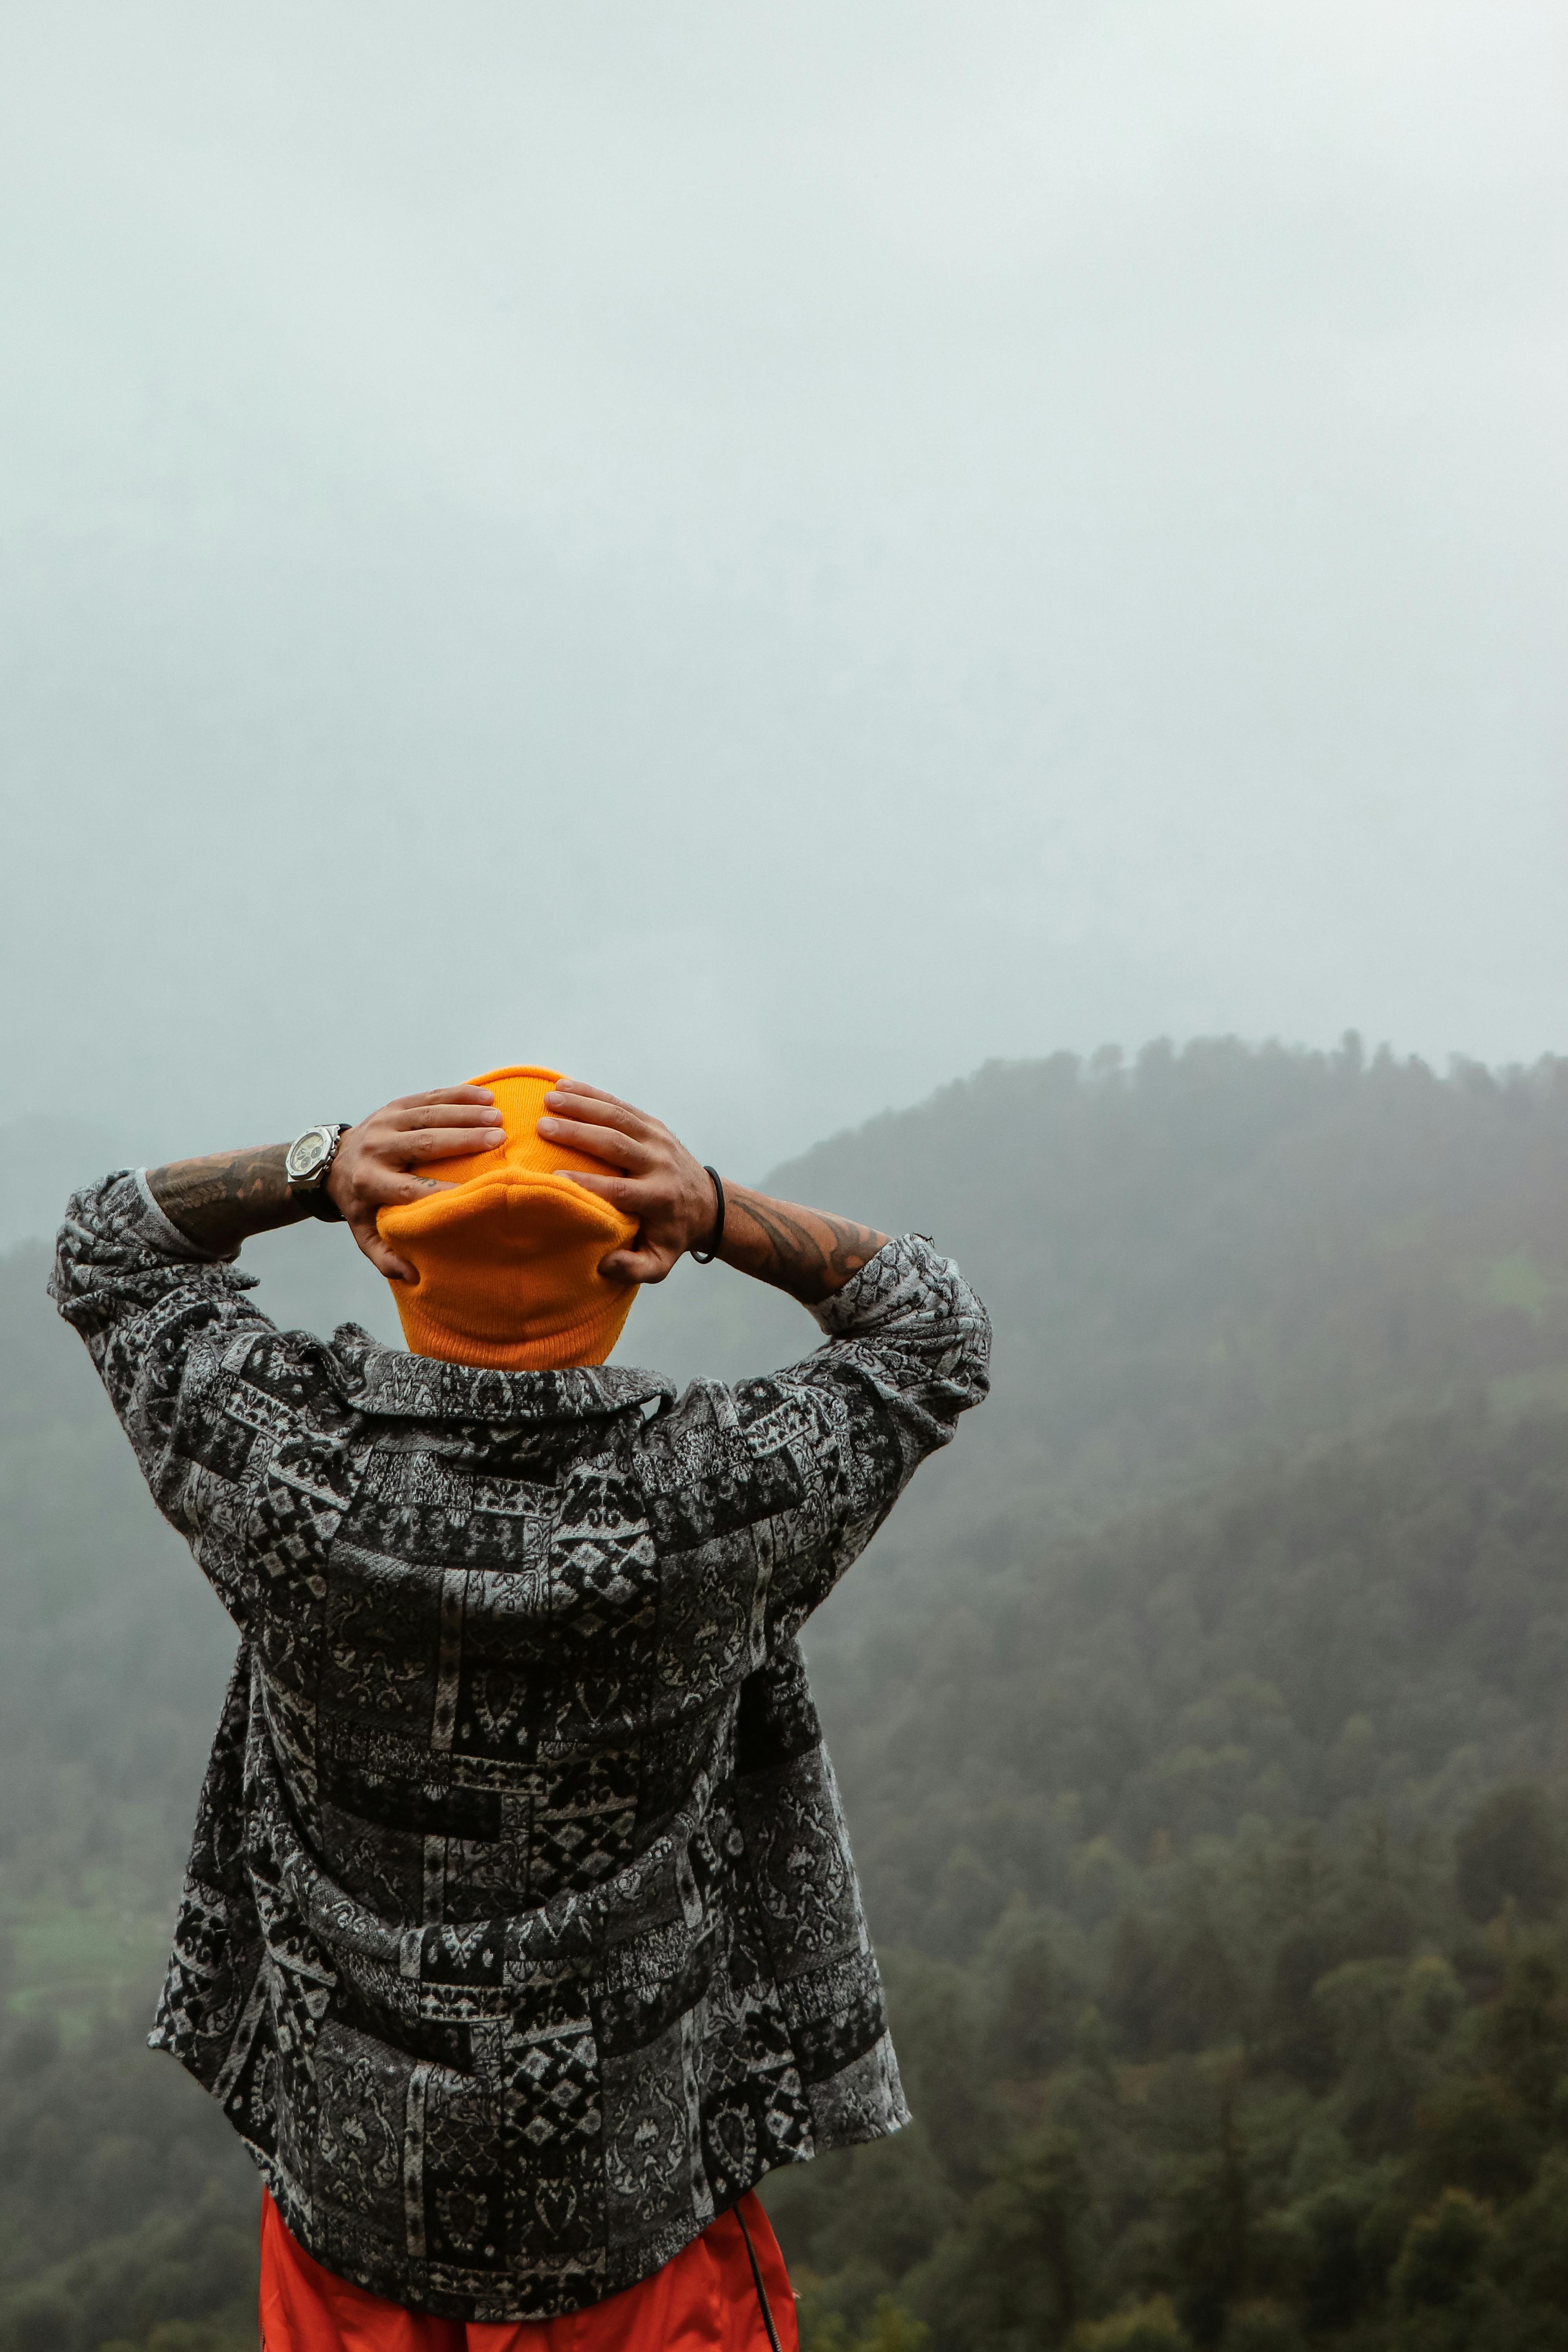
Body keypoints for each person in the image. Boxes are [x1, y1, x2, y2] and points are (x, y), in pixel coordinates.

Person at [52, 1068, 991, 2350]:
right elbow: (934, 1330)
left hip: (351, 2205)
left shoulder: (289, 1474)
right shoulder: (712, 1498)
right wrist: (711, 1208)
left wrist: (319, 1168)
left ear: (398, 1257)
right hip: (633, 2211)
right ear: (624, 1267)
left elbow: (107, 1248)